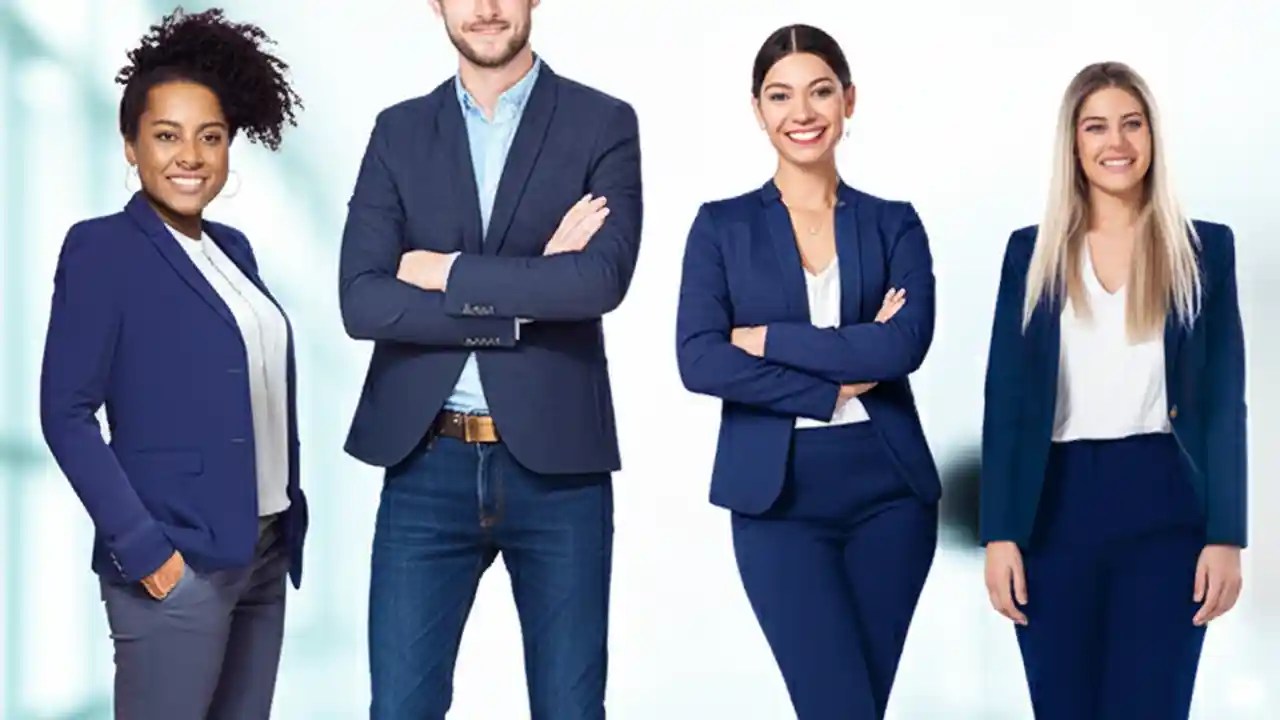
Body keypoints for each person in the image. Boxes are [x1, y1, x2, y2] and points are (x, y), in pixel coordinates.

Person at [337, 0, 642, 717]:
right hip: (425, 462)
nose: (484, 9)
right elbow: (364, 301)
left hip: (560, 473)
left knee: (571, 709)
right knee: (399, 710)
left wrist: (442, 271)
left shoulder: (601, 122)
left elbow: (598, 282)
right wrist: (529, 293)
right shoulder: (398, 131)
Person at [38, 8, 308, 718]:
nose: (190, 155)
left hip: (263, 549)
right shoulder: (103, 250)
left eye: (209, 137)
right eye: (166, 135)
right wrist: (146, 552)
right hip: (177, 559)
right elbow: (66, 413)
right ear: (130, 144)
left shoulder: (234, 250)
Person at [675, 24, 940, 720]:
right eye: (780, 95)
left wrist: (765, 338)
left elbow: (900, 349)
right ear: (757, 110)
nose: (802, 112)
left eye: (820, 92)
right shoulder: (721, 227)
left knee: (855, 708)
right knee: (836, 706)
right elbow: (699, 359)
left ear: (848, 101)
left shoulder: (894, 225)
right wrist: (832, 386)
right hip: (776, 498)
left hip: (892, 494)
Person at [980, 61, 1247, 719]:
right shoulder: (1030, 254)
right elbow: (1006, 402)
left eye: (1132, 124)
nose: (1116, 142)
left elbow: (1223, 404)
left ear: (1152, 136)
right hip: (1052, 509)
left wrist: (1227, 536)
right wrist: (999, 534)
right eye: (1096, 127)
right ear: (1073, 143)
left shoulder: (1205, 251)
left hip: (1166, 507)